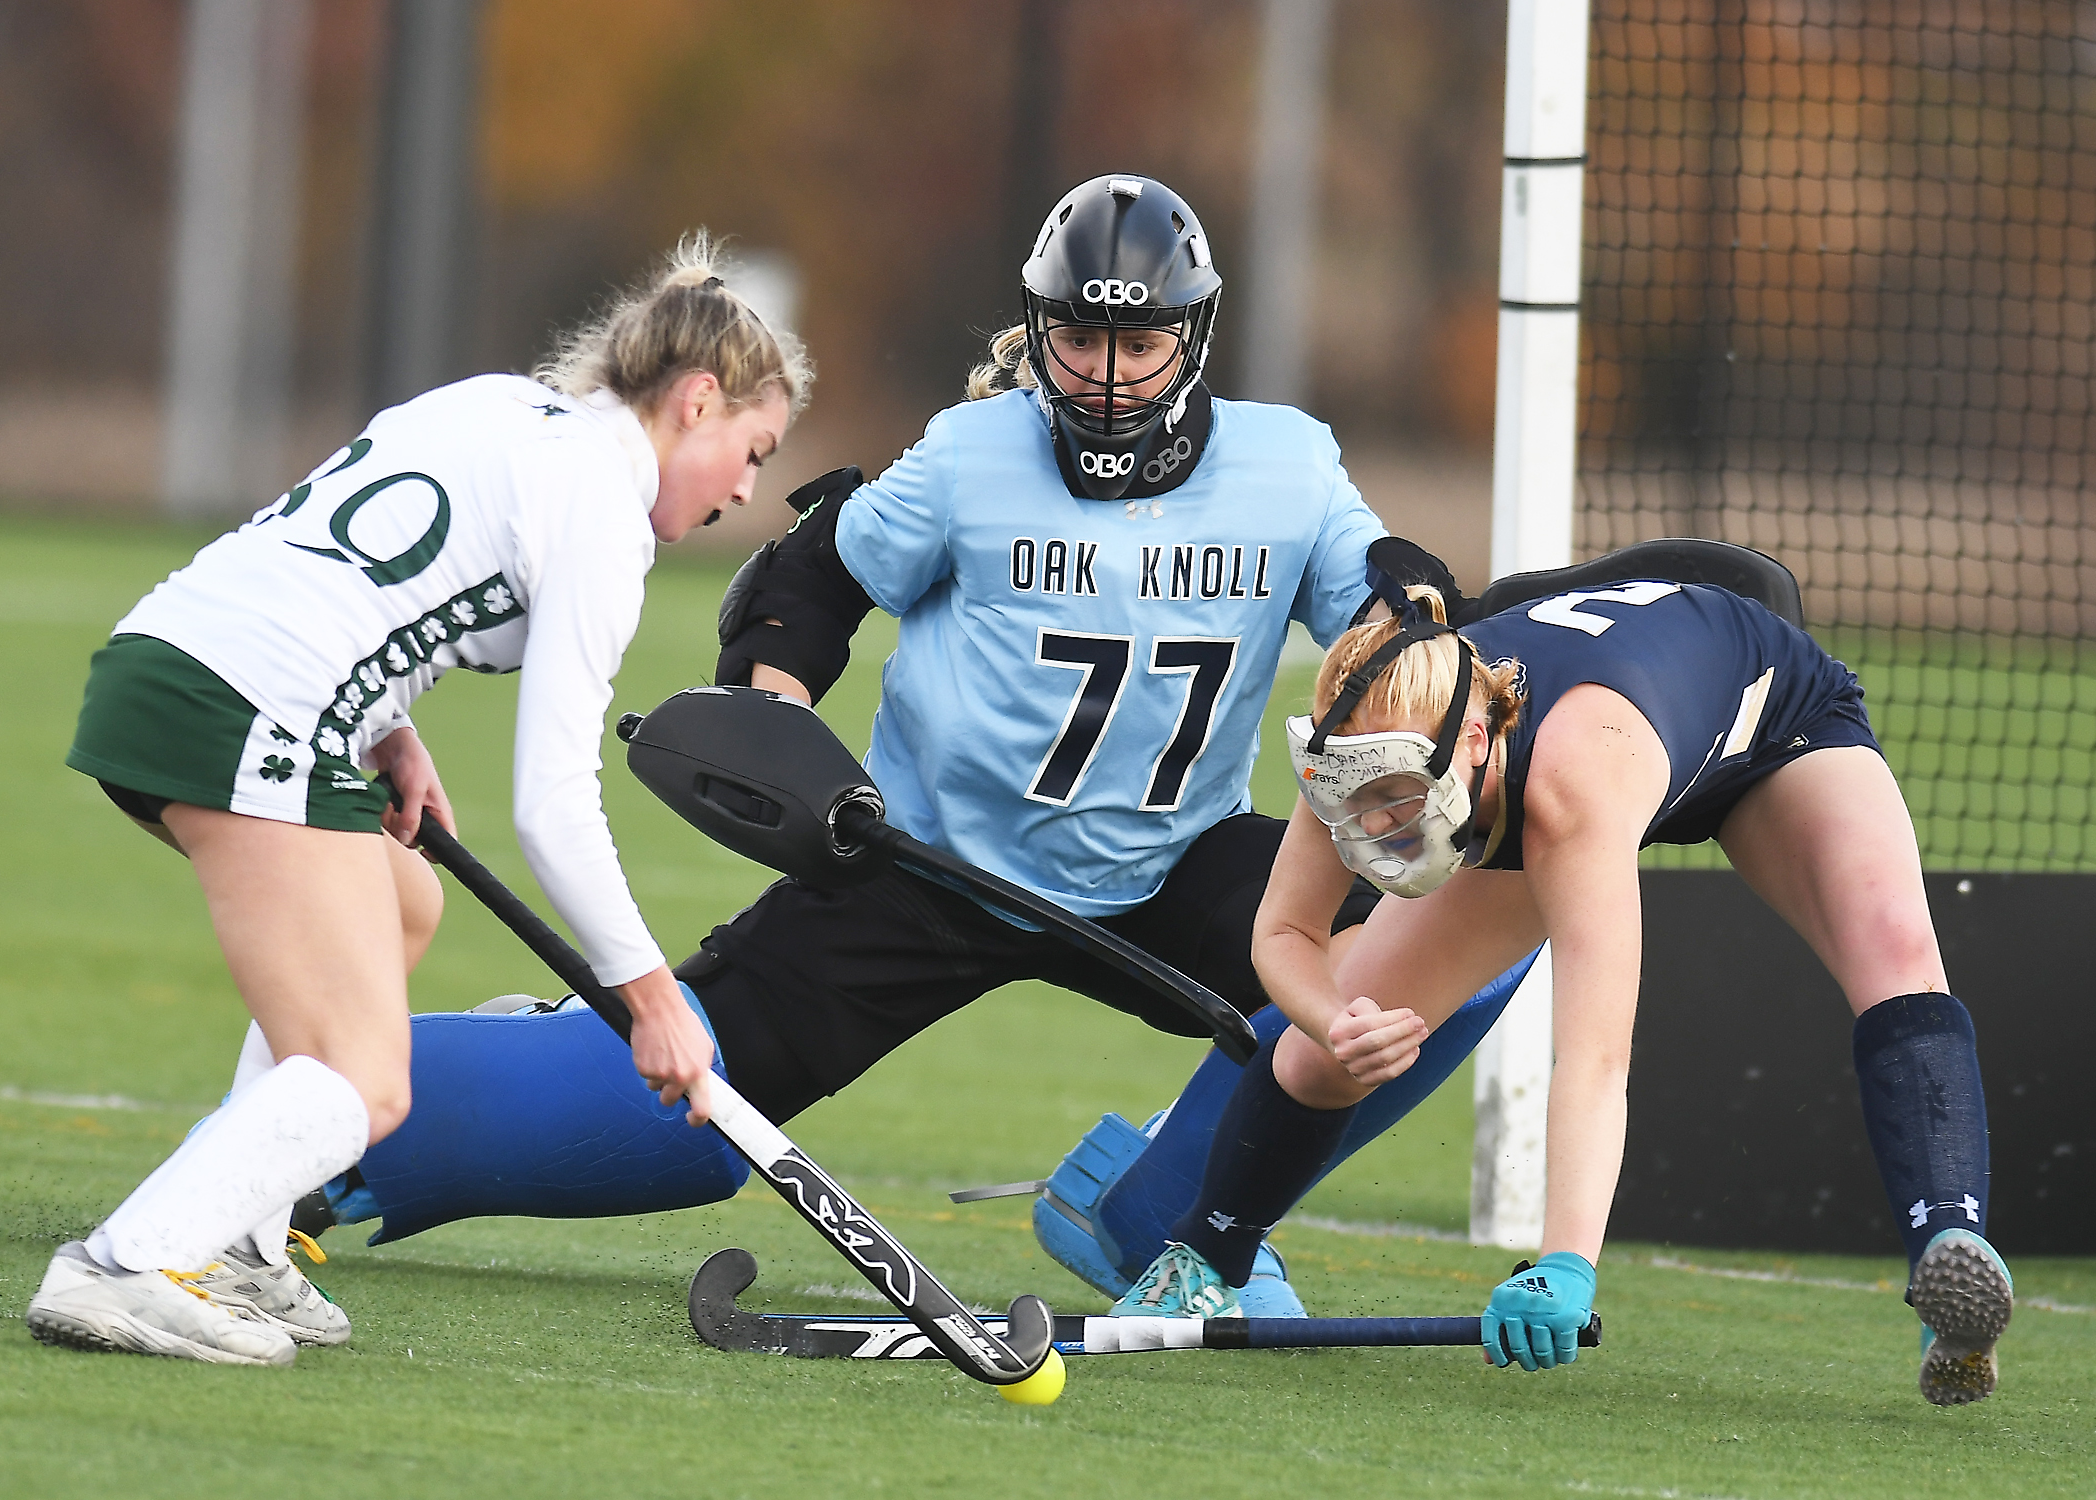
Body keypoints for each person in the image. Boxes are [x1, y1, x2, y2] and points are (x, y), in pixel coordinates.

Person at [315, 172, 1538, 1316]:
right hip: (919, 867)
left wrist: (1424, 638)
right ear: (1037, 330)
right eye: (1080, 339)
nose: (1108, 376)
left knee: (1462, 938)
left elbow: (1388, 625)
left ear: (1196, 338)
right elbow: (808, 578)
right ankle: (334, 1125)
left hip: (1178, 867)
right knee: (670, 1134)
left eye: (1139, 342)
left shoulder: (1289, 466)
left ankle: (1172, 1216)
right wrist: (777, 713)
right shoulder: (973, 454)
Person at [27, 239, 807, 1367]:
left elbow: (344, 564)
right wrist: (654, 1000)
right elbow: (551, 801)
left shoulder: (504, 408)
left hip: (172, 663)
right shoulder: (602, 512)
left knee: (402, 900)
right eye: (752, 450)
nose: (745, 486)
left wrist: (387, 726)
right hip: (247, 707)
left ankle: (242, 1243)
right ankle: (129, 1264)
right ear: (697, 402)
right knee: (363, 1080)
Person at [1113, 579, 2013, 1407]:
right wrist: (1330, 1016)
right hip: (1564, 756)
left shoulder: (1569, 789)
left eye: (1394, 797)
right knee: (1316, 1062)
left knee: (1896, 952)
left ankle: (1949, 1247)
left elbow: (1593, 1054)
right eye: (1353, 797)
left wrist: (1565, 1264)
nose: (1374, 825)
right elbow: (1284, 935)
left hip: (1767, 724)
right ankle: (1205, 1256)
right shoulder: (1360, 744)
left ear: (1471, 742)